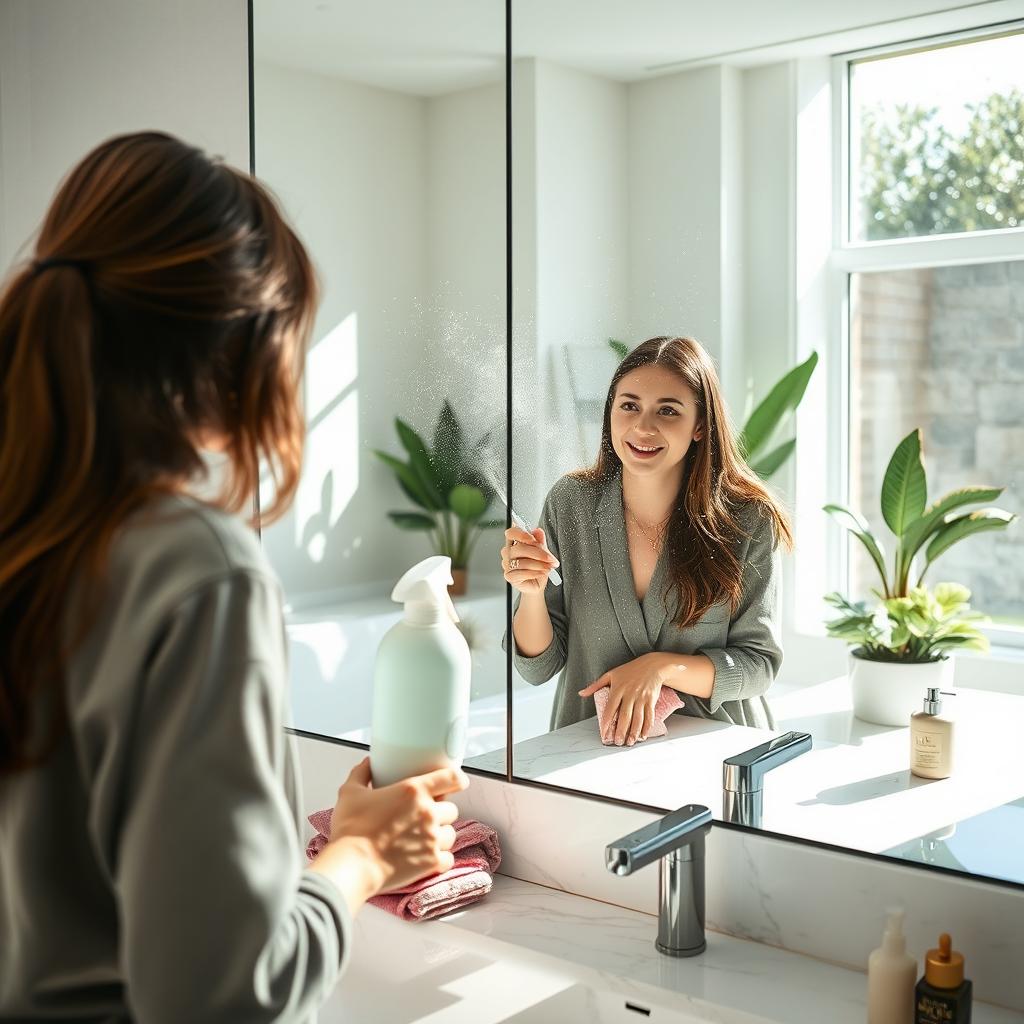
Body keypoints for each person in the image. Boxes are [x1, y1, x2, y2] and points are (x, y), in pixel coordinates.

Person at [0, 132, 467, 1023]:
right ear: (245, 350)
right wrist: (360, 859)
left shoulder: (29, 536)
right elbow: (222, 1000)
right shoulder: (198, 571)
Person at [502, 336, 793, 744]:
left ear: (700, 426)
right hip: (592, 751)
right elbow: (537, 668)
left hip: (718, 749)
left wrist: (659, 668)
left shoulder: (747, 519)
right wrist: (531, 595)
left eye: (668, 411)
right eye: (629, 406)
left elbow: (758, 665)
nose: (643, 427)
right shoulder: (570, 504)